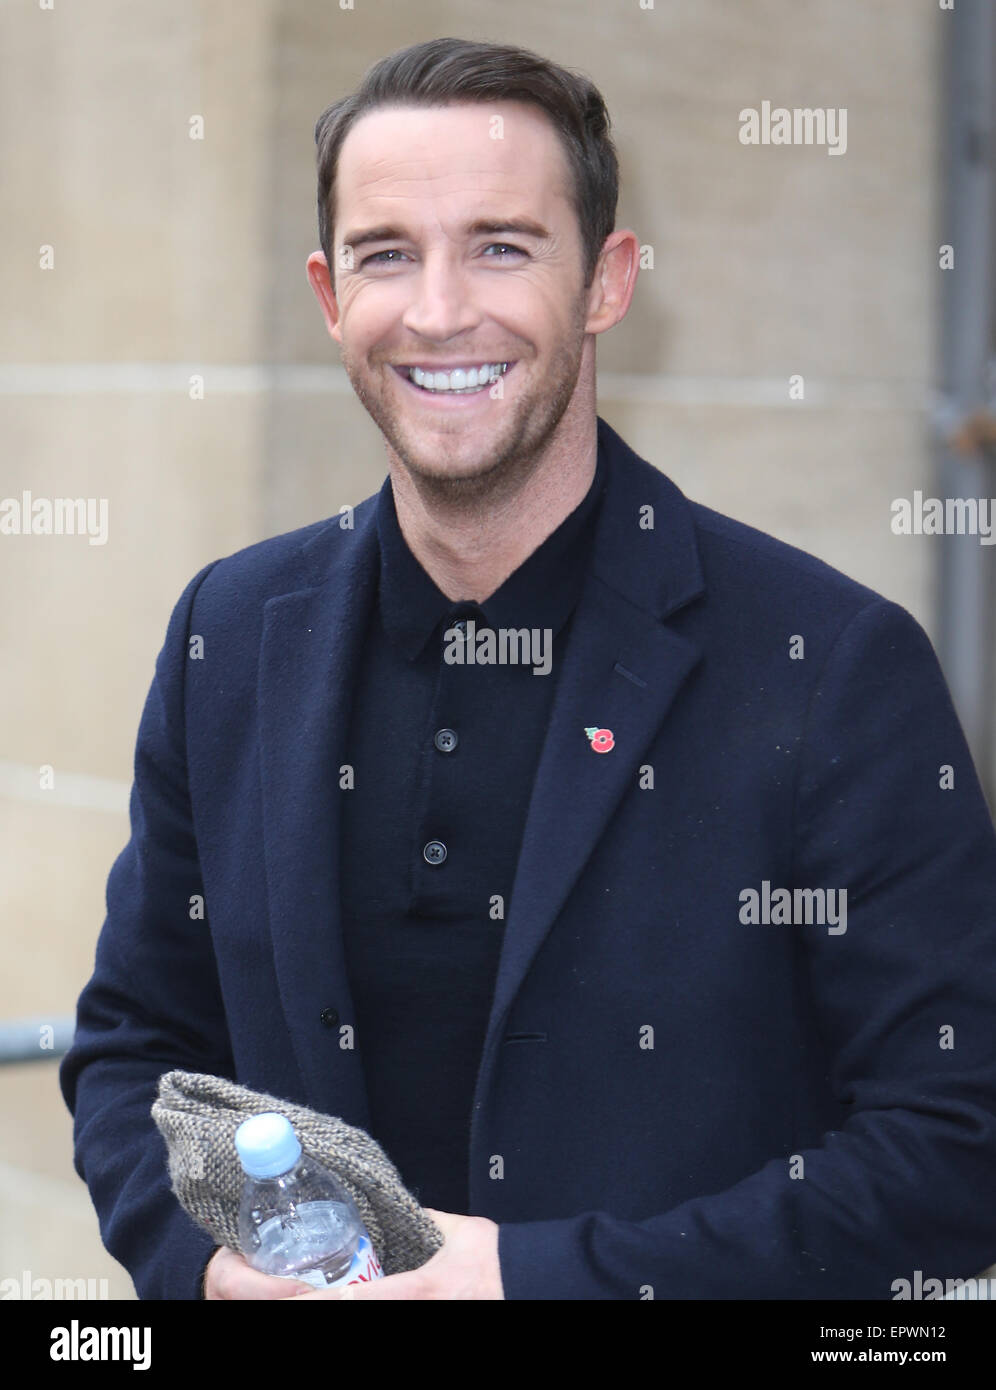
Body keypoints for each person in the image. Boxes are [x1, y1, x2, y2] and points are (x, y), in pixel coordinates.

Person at [60, 36, 996, 1302]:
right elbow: (133, 1046)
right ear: (332, 296)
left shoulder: (830, 665)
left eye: (503, 245)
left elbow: (956, 1145)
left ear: (607, 282)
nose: (441, 309)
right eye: (389, 253)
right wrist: (202, 1272)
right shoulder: (229, 633)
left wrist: (540, 1281)